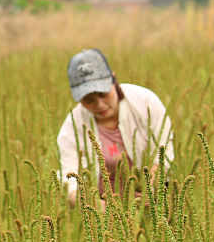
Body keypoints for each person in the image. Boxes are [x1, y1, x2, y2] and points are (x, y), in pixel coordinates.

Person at [57, 49, 174, 206]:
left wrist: (147, 191)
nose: (99, 105)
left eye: (103, 94)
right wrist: (102, 208)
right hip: (101, 207)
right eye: (88, 100)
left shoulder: (146, 102)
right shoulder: (72, 127)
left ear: (113, 79)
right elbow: (68, 183)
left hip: (152, 198)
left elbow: (164, 154)